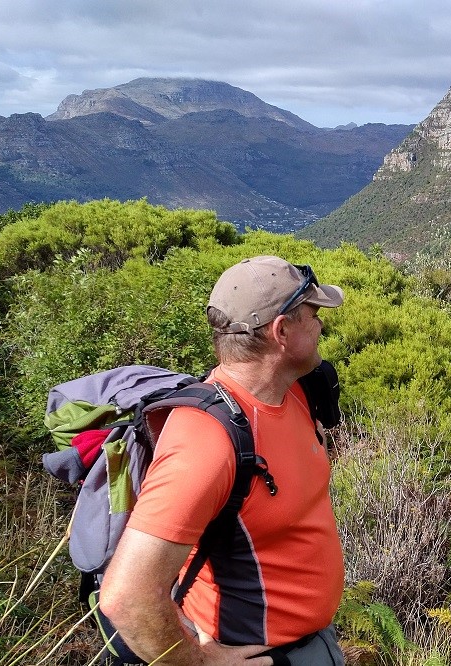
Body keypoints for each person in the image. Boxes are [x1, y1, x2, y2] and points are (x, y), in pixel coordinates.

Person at [99, 256, 347, 665]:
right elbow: (126, 596)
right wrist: (198, 662)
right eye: (313, 314)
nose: (321, 324)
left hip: (312, 641)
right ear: (281, 331)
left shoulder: (297, 393)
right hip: (261, 654)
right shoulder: (206, 442)